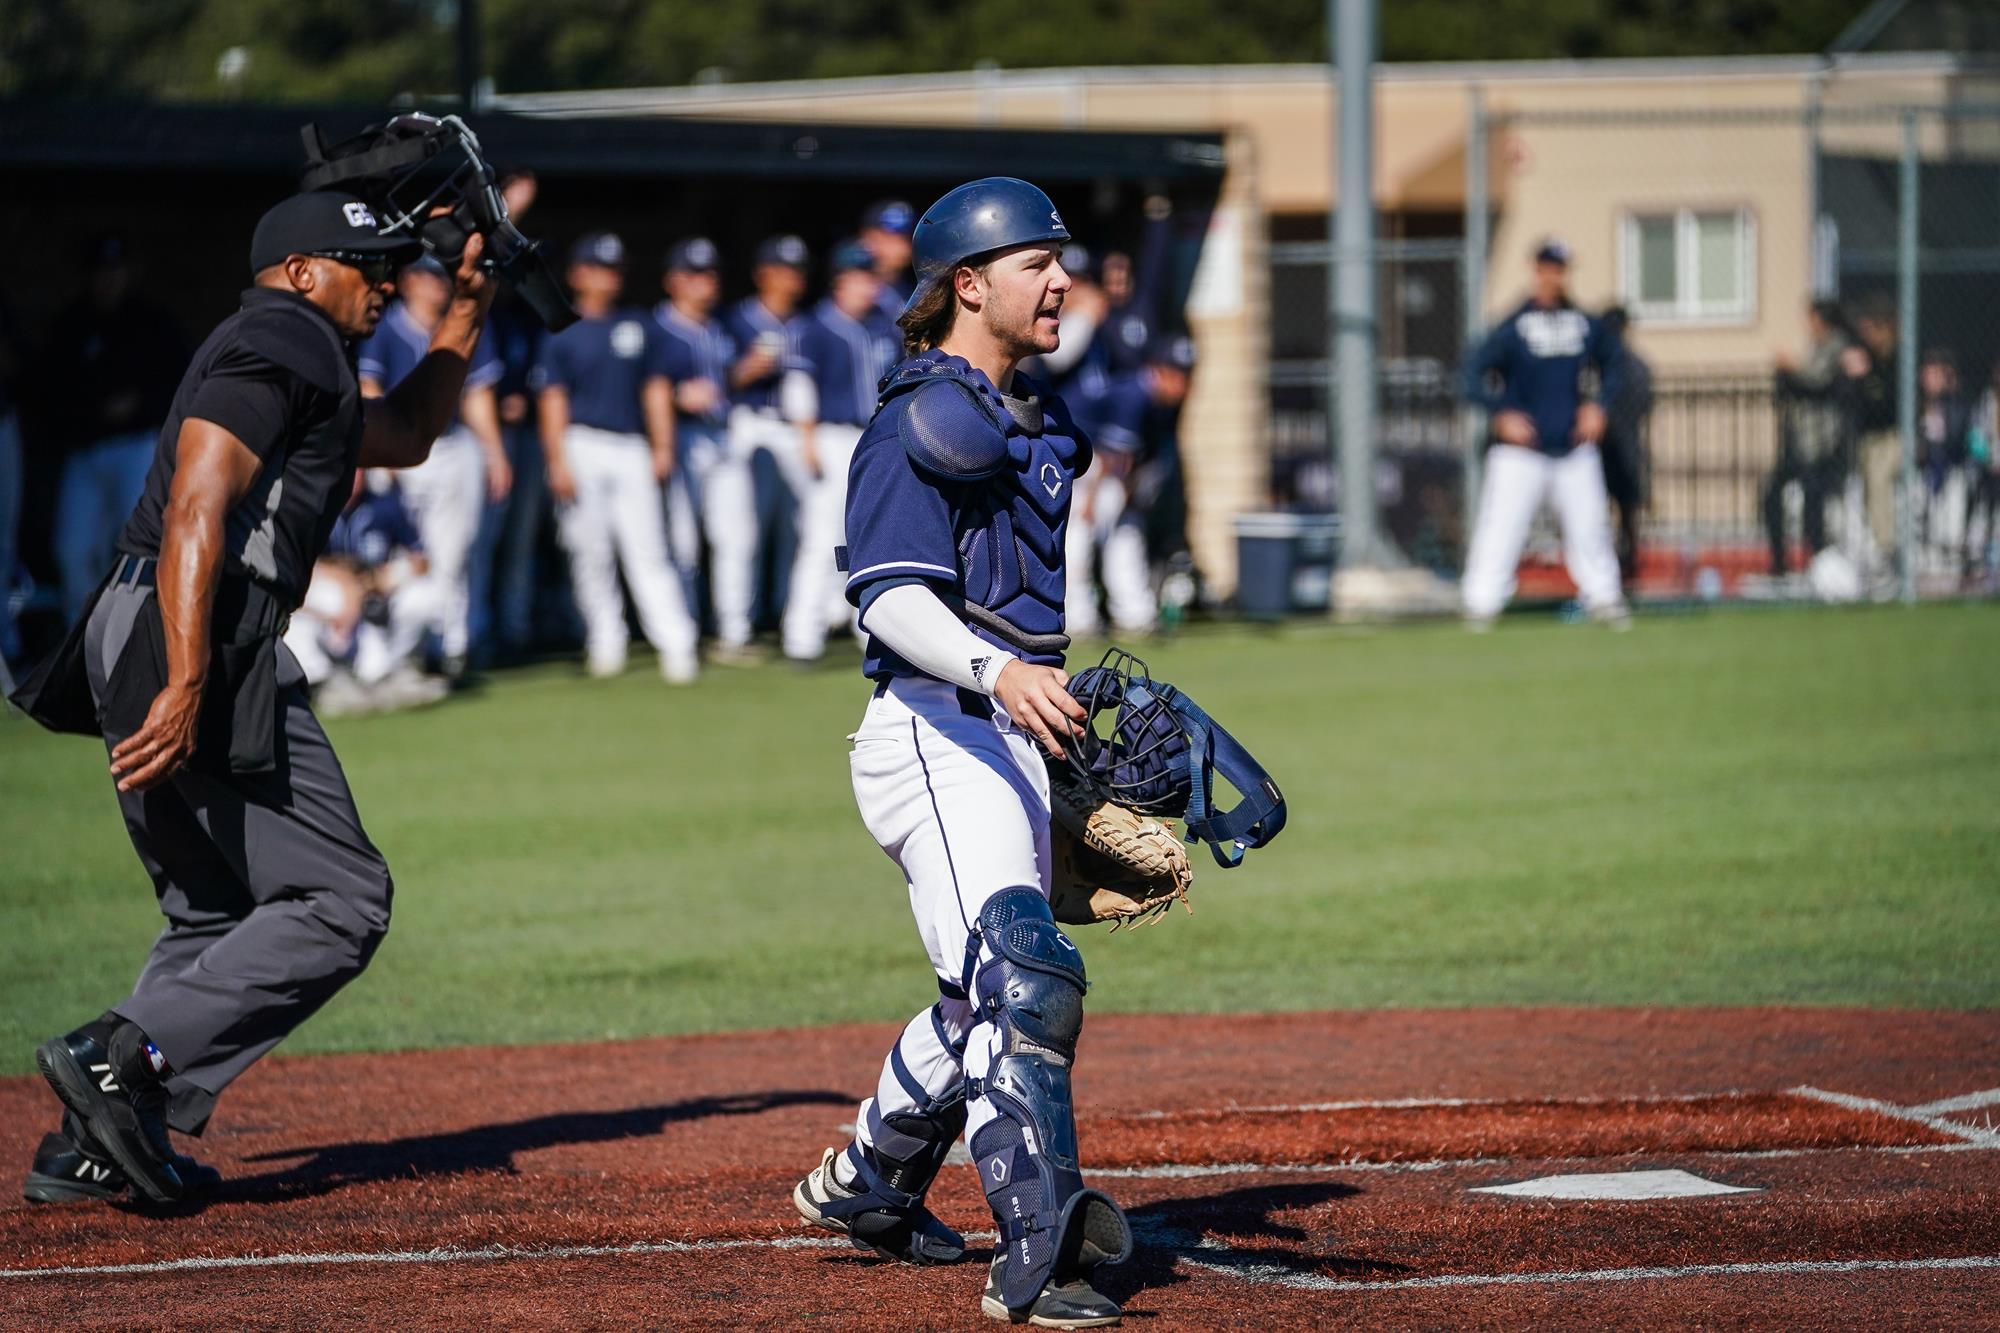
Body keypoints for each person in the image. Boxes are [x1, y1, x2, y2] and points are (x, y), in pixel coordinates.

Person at [10, 191, 494, 1206]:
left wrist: (460, 317)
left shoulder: (301, 348)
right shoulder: (287, 332)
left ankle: (94, 1142)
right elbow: (198, 497)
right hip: (193, 630)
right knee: (342, 900)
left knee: (215, 910)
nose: (386, 286)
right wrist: (187, 677)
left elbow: (404, 431)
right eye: (372, 269)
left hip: (143, 620)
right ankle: (118, 1060)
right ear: (307, 269)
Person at [788, 178, 1133, 1329]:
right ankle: (1038, 1251)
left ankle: (875, 1175)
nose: (1061, 279)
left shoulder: (1020, 414)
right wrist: (996, 675)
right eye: (1037, 262)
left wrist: (1055, 717)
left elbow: (1017, 609)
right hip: (935, 728)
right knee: (1024, 977)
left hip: (1001, 733)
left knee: (969, 997)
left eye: (1060, 259)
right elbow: (886, 596)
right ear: (967, 284)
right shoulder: (911, 421)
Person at [535, 232, 698, 684]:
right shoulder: (561, 328)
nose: (607, 277)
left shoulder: (638, 325)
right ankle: (604, 641)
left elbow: (656, 390)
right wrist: (556, 462)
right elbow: (552, 399)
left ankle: (675, 643)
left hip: (631, 446)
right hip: (581, 443)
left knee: (648, 548)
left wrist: (662, 446)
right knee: (590, 552)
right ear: (577, 274)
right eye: (598, 267)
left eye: (614, 269)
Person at [1459, 238, 1631, 629]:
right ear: (1535, 269)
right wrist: (1500, 413)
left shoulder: (1584, 324)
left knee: (1590, 528)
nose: (1555, 275)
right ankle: (1481, 603)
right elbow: (1469, 374)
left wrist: (1599, 405)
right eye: (1549, 267)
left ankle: (1604, 598)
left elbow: (1616, 363)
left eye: (1561, 268)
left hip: (1572, 447)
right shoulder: (1513, 325)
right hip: (1521, 453)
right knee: (1501, 529)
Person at [357, 256, 509, 679]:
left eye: (442, 278)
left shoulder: (465, 323)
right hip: (399, 446)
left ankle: (453, 644)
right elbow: (369, 387)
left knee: (456, 551)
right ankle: (393, 653)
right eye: (427, 277)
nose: (436, 286)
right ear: (408, 280)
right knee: (401, 551)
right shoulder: (387, 326)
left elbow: (478, 394)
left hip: (452, 446)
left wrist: (495, 452)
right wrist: (377, 452)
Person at [35, 235, 190, 626]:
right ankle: (82, 640)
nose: (107, 280)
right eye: (100, 272)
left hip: (135, 449)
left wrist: (139, 405)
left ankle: (134, 637)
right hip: (84, 452)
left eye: (114, 271)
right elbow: (49, 389)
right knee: (72, 549)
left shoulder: (151, 322)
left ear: (127, 274)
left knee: (138, 548)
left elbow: (179, 383)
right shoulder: (72, 323)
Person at [780, 239, 901, 663]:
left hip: (874, 437)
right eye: (858, 279)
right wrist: (806, 439)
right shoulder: (814, 327)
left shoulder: (883, 325)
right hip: (830, 436)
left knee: (872, 537)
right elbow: (798, 388)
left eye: (871, 278)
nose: (867, 287)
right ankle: (802, 637)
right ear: (840, 282)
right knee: (821, 537)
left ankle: (869, 628)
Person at [654, 237, 755, 661]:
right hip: (681, 437)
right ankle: (685, 628)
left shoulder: (720, 326)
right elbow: (641, 391)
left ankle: (734, 631)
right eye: (695, 274)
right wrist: (676, 398)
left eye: (710, 273)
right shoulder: (655, 327)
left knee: (737, 535)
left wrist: (745, 373)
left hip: (721, 432)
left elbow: (725, 379)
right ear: (673, 280)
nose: (705, 282)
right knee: (681, 542)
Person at [282, 470, 449, 716]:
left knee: (427, 595)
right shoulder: (314, 507)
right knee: (313, 599)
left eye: (361, 469)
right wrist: (348, 584)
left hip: (375, 594)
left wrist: (383, 577)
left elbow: (421, 559)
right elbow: (297, 563)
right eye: (351, 468)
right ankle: (324, 683)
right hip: (330, 600)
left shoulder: (383, 503)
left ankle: (394, 672)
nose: (355, 476)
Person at [1066, 335, 1197, 637]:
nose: (1183, 383)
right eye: (1176, 374)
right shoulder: (1135, 394)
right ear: (1159, 370)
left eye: (1187, 375)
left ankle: (1133, 612)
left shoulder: (1165, 402)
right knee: (1082, 534)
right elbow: (1114, 456)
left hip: (1111, 466)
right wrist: (1090, 503)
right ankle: (1078, 616)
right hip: (1082, 460)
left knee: (1125, 529)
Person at [721, 235, 814, 639]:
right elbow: (716, 379)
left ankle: (780, 612)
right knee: (744, 530)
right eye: (782, 269)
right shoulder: (736, 318)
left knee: (797, 530)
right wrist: (746, 369)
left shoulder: (805, 325)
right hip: (748, 422)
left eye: (796, 270)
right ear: (762, 274)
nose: (790, 279)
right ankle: (736, 624)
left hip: (795, 428)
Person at [1763, 300, 1859, 578]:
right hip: (1801, 435)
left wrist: (1790, 365)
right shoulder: (1817, 345)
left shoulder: (1837, 345)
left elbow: (1816, 378)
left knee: (1813, 497)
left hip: (1821, 438)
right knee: (1772, 494)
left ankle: (1817, 559)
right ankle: (1780, 560)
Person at [1596, 306, 1653, 586]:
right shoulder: (1601, 364)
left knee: (1627, 508)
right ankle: (1615, 562)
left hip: (1624, 443)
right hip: (1604, 446)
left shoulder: (1628, 365)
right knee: (1606, 509)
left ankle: (1626, 562)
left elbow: (1643, 404)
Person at [858, 198, 917, 324]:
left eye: (904, 238)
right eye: (889, 237)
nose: (901, 246)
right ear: (866, 236)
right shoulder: (853, 289)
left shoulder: (913, 292)